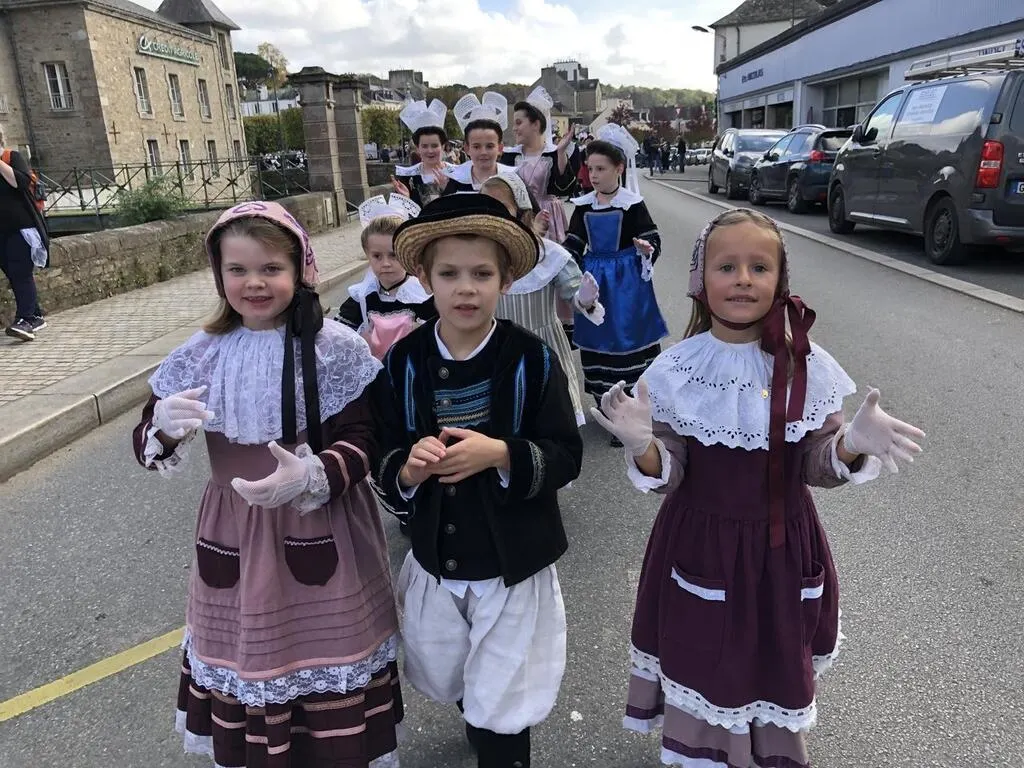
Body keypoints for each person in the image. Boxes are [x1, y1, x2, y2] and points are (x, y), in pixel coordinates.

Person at [591, 207, 926, 768]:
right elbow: (671, 473)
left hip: (781, 552)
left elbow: (815, 466)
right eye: (727, 266)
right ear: (701, 282)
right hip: (697, 544)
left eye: (759, 267)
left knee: (773, 664)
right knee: (706, 662)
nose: (743, 278)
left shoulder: (805, 367)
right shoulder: (675, 369)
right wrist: (642, 445)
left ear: (780, 280)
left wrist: (850, 444)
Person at [132, 200, 403, 768]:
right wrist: (161, 429)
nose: (254, 283)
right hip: (233, 530)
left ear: (300, 270)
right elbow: (145, 440)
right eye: (238, 270)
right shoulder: (200, 353)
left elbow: (367, 437)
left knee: (327, 655)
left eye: (270, 269)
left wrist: (316, 473)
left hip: (322, 520)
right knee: (251, 660)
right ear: (219, 275)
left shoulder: (334, 349)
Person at [371, 193, 583, 768]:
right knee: (453, 666)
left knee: (506, 690)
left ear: (506, 280)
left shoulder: (532, 360)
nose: (466, 288)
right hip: (439, 552)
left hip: (514, 557)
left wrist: (503, 454)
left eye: (482, 274)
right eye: (450, 274)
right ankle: (478, 715)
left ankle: (502, 747)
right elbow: (383, 450)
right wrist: (409, 471)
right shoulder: (404, 361)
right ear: (424, 278)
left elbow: (565, 453)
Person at [563, 124, 668, 444]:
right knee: (597, 341)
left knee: (627, 341)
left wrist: (645, 249)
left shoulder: (632, 204)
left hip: (627, 283)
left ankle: (632, 411)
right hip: (595, 279)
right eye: (590, 168)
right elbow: (573, 243)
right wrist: (570, 268)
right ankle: (606, 405)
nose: (593, 175)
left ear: (618, 169)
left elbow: (651, 237)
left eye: (601, 169)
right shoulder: (583, 206)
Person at [481, 172, 604, 426]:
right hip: (494, 347)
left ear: (520, 209)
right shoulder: (478, 253)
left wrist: (584, 298)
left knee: (550, 418)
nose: (493, 213)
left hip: (544, 345)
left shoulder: (548, 254)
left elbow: (574, 295)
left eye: (501, 207)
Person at [501, 87, 579, 344]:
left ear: (536, 124)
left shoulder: (551, 153)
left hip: (549, 215)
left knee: (550, 268)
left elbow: (565, 187)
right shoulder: (510, 156)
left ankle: (553, 327)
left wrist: (560, 154)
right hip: (521, 218)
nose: (516, 128)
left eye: (520, 122)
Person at [335, 192, 436, 359]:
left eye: (393, 255)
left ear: (407, 253)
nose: (386, 263)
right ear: (367, 254)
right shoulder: (362, 297)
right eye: (377, 256)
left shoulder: (422, 297)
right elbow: (339, 337)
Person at [1, 131, 47, 342]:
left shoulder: (12, 157)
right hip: (2, 231)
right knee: (13, 274)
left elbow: (20, 182)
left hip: (21, 228)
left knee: (21, 272)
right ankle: (36, 314)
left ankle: (26, 319)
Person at [443, 92, 517, 194]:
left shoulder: (513, 178)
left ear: (500, 148)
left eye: (490, 146)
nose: (483, 152)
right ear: (467, 148)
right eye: (476, 147)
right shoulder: (456, 179)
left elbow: (528, 209)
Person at [392, 99, 455, 207]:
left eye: (434, 146)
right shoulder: (408, 177)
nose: (430, 151)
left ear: (443, 146)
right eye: (424, 146)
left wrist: (447, 189)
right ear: (418, 148)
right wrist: (406, 199)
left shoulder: (456, 173)